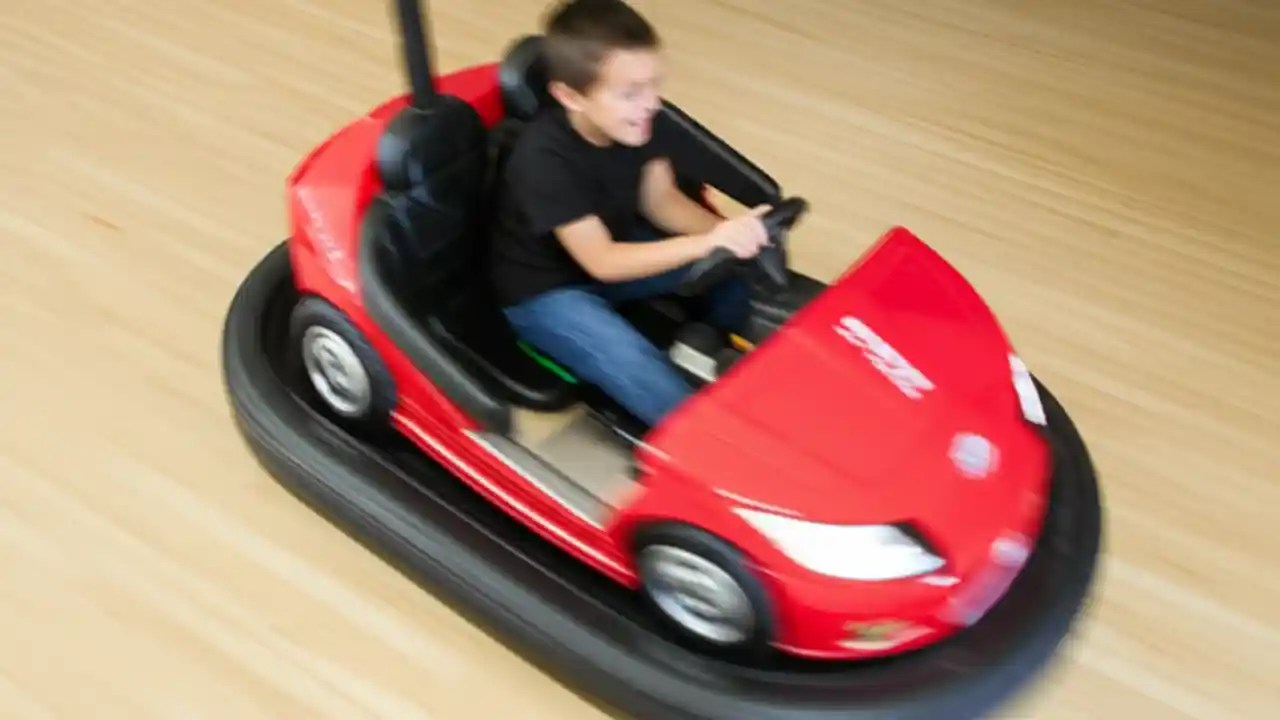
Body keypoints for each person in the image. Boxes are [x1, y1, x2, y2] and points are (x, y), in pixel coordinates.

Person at [488, 0, 770, 428]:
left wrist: (732, 234)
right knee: (640, 366)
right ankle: (704, 441)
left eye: (654, 85)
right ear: (570, 96)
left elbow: (661, 202)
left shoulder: (635, 123)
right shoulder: (542, 161)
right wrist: (708, 241)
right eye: (631, 93)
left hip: (613, 252)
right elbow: (602, 262)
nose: (651, 104)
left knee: (733, 269)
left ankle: (713, 345)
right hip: (546, 292)